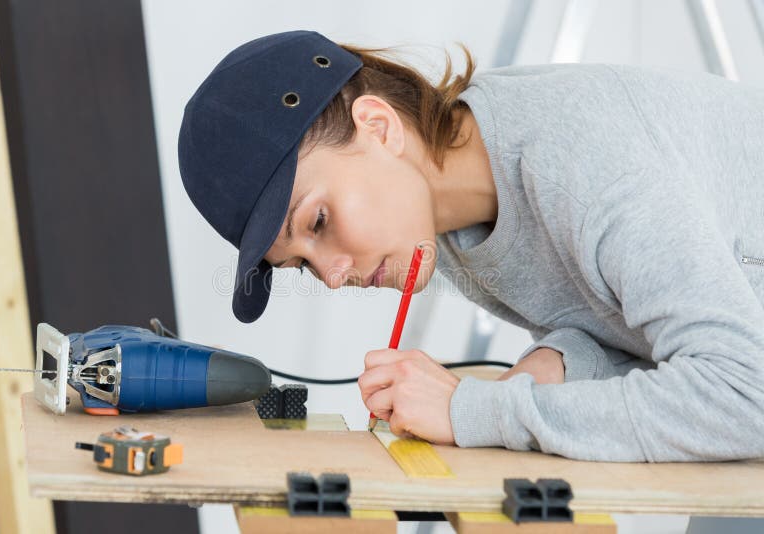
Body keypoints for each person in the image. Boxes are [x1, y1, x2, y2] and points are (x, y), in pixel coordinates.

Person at [177, 30, 764, 462]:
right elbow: (638, 323)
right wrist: (555, 365)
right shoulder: (447, 215)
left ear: (378, 126)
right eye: (301, 264)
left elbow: (744, 396)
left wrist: (475, 411)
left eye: (319, 220)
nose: (332, 275)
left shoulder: (582, 159)